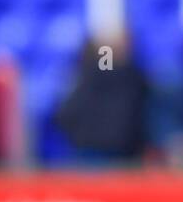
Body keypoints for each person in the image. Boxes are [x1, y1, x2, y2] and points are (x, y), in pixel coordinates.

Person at [54, 30, 150, 164]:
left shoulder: (132, 77)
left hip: (123, 153)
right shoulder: (94, 76)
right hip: (91, 152)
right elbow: (68, 113)